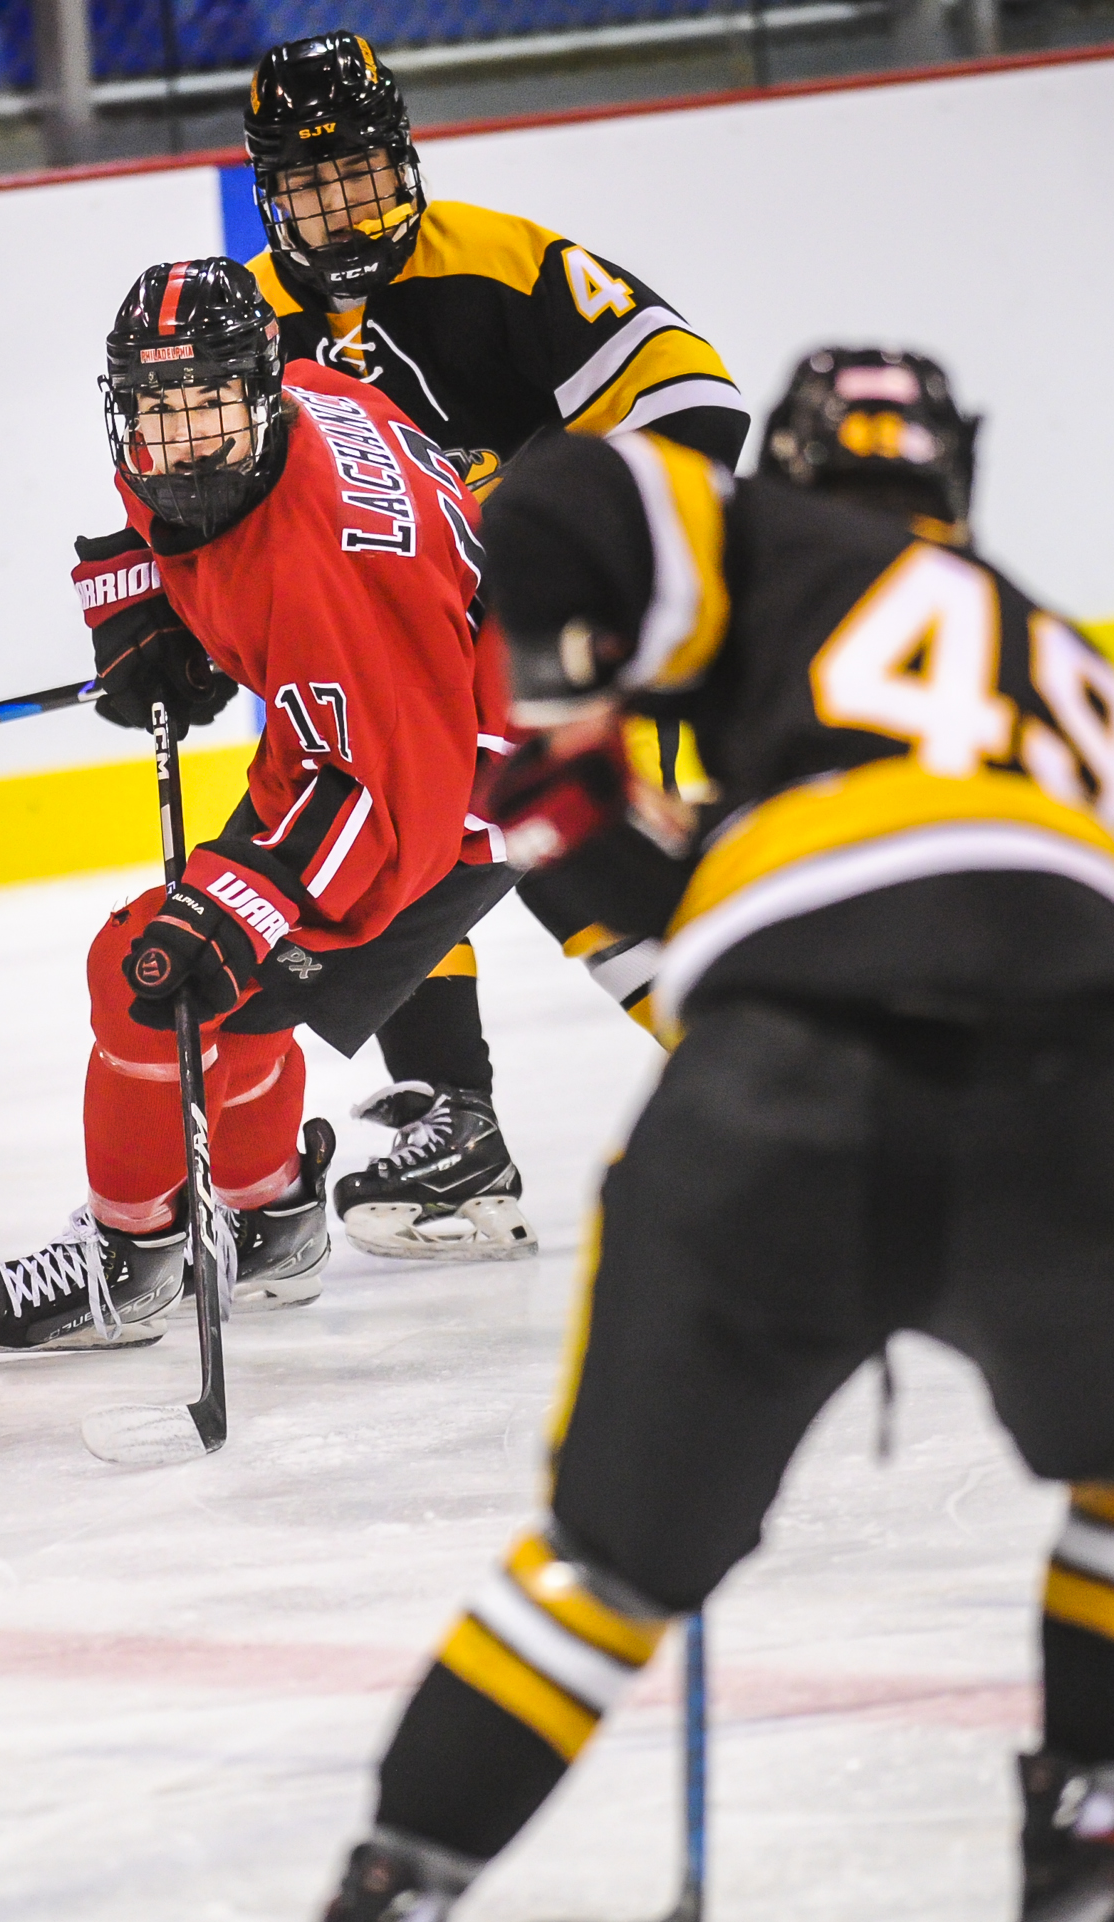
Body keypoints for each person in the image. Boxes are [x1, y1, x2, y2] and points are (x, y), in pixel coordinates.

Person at [273, 349, 1114, 1922]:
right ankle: (1081, 1879)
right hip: (1064, 1112)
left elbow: (563, 496)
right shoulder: (1082, 674)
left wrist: (567, 746)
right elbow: (1031, 908)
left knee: (608, 1564)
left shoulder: (760, 543)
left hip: (772, 1096)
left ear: (782, 471)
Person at [0, 256, 524, 1353]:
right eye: (157, 404)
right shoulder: (286, 405)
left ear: (255, 391)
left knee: (150, 974)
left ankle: (129, 1255)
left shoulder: (331, 573)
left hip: (460, 785)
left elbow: (394, 797)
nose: (182, 433)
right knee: (233, 1011)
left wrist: (239, 906)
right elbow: (173, 517)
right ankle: (272, 1219)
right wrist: (141, 597)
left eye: (205, 401)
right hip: (397, 730)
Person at [234, 30, 747, 1257]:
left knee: (582, 857)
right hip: (398, 681)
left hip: (541, 650)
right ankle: (454, 1137)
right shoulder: (248, 321)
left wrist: (539, 535)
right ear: (268, 188)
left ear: (402, 160)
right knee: (373, 864)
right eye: (307, 184)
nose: (338, 206)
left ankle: (792, 1087)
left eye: (356, 172)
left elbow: (696, 405)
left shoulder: (503, 263)